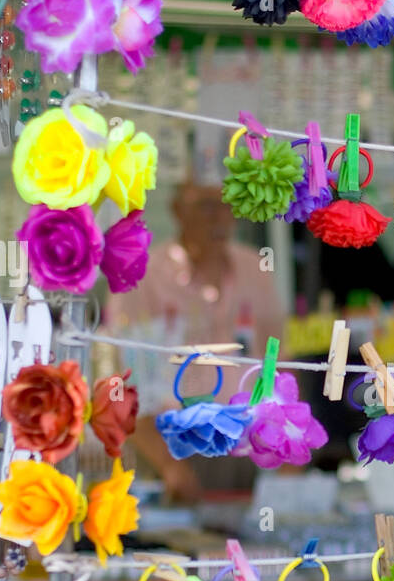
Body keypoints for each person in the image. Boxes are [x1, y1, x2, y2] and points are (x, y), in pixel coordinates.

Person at [105, 181, 284, 502]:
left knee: (254, 547)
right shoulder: (142, 275)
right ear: (178, 211)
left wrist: (287, 445)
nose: (220, 218)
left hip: (247, 446)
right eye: (206, 206)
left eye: (227, 205)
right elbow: (129, 387)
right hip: (168, 449)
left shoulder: (255, 268)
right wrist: (167, 464)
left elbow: (282, 363)